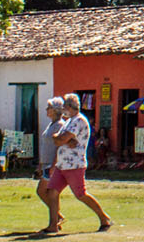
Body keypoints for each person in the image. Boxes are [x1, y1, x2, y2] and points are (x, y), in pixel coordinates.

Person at [43, 92, 113, 233]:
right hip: (62, 165)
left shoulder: (79, 120)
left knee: (81, 194)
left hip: (74, 164)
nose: (63, 110)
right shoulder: (69, 121)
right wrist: (62, 138)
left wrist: (62, 138)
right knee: (52, 192)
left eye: (65, 107)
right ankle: (53, 225)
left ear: (70, 106)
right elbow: (59, 139)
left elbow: (62, 139)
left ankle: (104, 218)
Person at [34, 98, 65, 232]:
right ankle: (56, 218)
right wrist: (40, 165)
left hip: (52, 164)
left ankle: (56, 219)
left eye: (49, 107)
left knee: (45, 192)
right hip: (46, 163)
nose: (46, 110)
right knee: (48, 193)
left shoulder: (59, 125)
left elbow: (59, 146)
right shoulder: (51, 124)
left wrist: (53, 165)